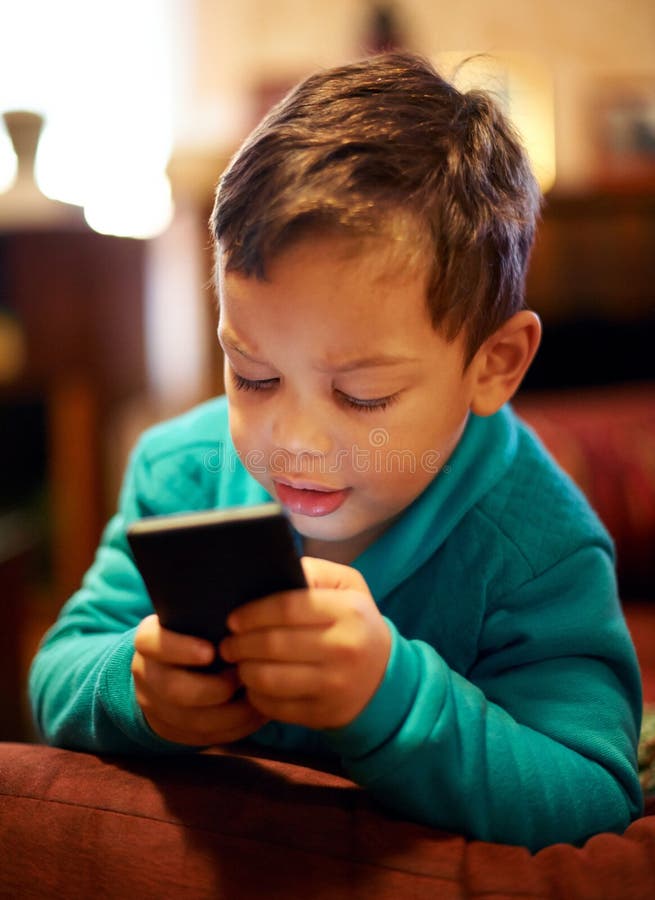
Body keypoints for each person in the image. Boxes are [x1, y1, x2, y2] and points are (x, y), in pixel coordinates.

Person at [29, 51, 642, 851]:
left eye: (362, 397)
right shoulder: (180, 473)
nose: (295, 439)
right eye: (252, 376)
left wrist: (391, 699)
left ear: (494, 364)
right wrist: (133, 689)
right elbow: (56, 673)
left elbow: (594, 793)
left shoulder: (536, 548)